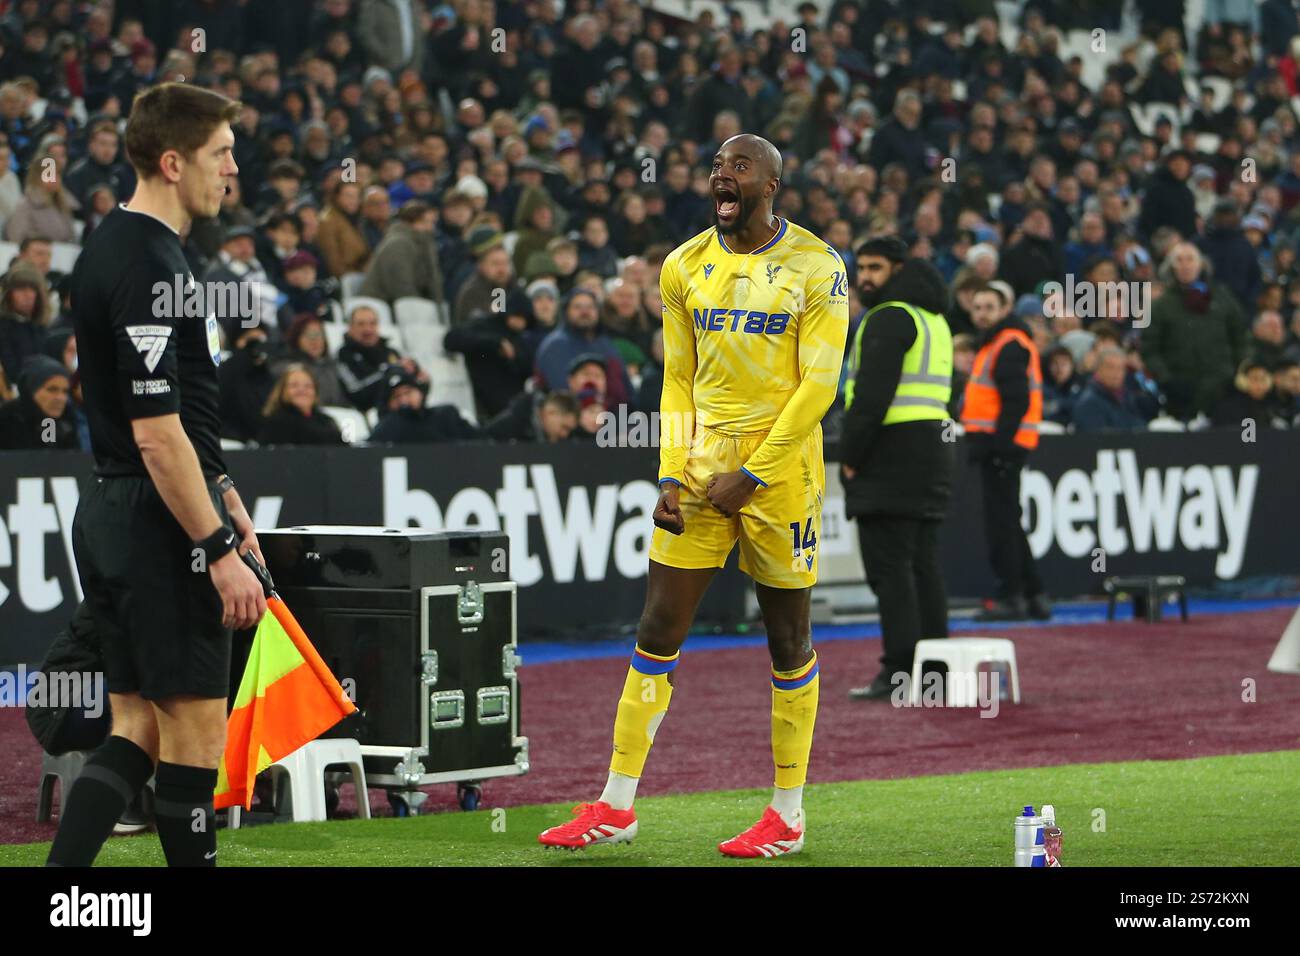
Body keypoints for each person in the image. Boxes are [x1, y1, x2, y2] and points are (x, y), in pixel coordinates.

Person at [537, 134, 849, 858]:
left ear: (773, 184)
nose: (722, 175)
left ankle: (788, 814)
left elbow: (820, 386)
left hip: (782, 479)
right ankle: (616, 805)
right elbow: (677, 380)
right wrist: (671, 471)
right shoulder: (684, 265)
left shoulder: (817, 266)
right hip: (704, 473)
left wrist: (758, 473)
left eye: (739, 166)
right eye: (716, 166)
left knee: (787, 639)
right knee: (656, 628)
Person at [53, 83, 266, 869]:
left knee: (136, 727)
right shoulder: (145, 262)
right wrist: (214, 547)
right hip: (158, 522)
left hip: (122, 510)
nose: (232, 170)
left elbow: (181, 415)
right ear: (173, 162)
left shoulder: (129, 247)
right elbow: (154, 432)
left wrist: (227, 493)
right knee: (193, 742)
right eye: (221, 154)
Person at [838, 236, 953, 700]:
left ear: (898, 269)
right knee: (922, 565)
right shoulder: (934, 320)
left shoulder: (887, 317)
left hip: (891, 452)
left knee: (890, 569)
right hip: (932, 448)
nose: (865, 277)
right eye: (861, 268)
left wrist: (851, 455)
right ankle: (934, 670)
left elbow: (870, 399)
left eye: (875, 267)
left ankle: (899, 669)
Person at [961, 282, 1051, 622]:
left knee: (1002, 525)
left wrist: (999, 446)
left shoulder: (1007, 344)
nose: (982, 313)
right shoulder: (1001, 342)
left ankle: (1012, 594)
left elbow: (1016, 402)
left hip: (1002, 447)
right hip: (1005, 445)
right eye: (978, 307)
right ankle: (1034, 593)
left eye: (989, 307)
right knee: (1010, 522)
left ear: (1003, 310)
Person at [337, 303, 426, 412]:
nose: (368, 329)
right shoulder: (343, 356)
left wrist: (420, 379)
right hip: (374, 414)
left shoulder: (391, 352)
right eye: (361, 324)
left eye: (372, 323)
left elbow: (414, 388)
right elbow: (356, 394)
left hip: (405, 409)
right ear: (350, 327)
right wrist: (389, 371)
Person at [357, 199, 444, 304]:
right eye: (425, 222)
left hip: (399, 305)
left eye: (432, 223)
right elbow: (402, 287)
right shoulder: (398, 244)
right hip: (377, 307)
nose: (431, 228)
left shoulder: (423, 244)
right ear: (409, 223)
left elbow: (432, 281)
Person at [367, 368, 483, 444]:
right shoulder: (387, 427)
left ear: (420, 392)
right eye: (396, 397)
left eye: (408, 392)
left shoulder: (446, 415)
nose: (404, 400)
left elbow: (481, 442)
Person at [0, 354, 80, 449]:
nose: (60, 398)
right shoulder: (6, 421)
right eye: (52, 389)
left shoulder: (67, 423)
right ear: (30, 390)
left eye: (65, 391)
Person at [256, 364, 346, 445]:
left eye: (308, 386)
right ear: (282, 391)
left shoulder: (327, 421)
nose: (302, 390)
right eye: (294, 385)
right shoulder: (274, 423)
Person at [1070, 347, 1151, 432]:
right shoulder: (1088, 403)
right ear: (1098, 369)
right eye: (1110, 367)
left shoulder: (1128, 397)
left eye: (1120, 368)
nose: (1116, 373)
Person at [486, 389, 579, 442]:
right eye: (564, 427)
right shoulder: (513, 425)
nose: (564, 435)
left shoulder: (563, 442)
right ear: (550, 413)